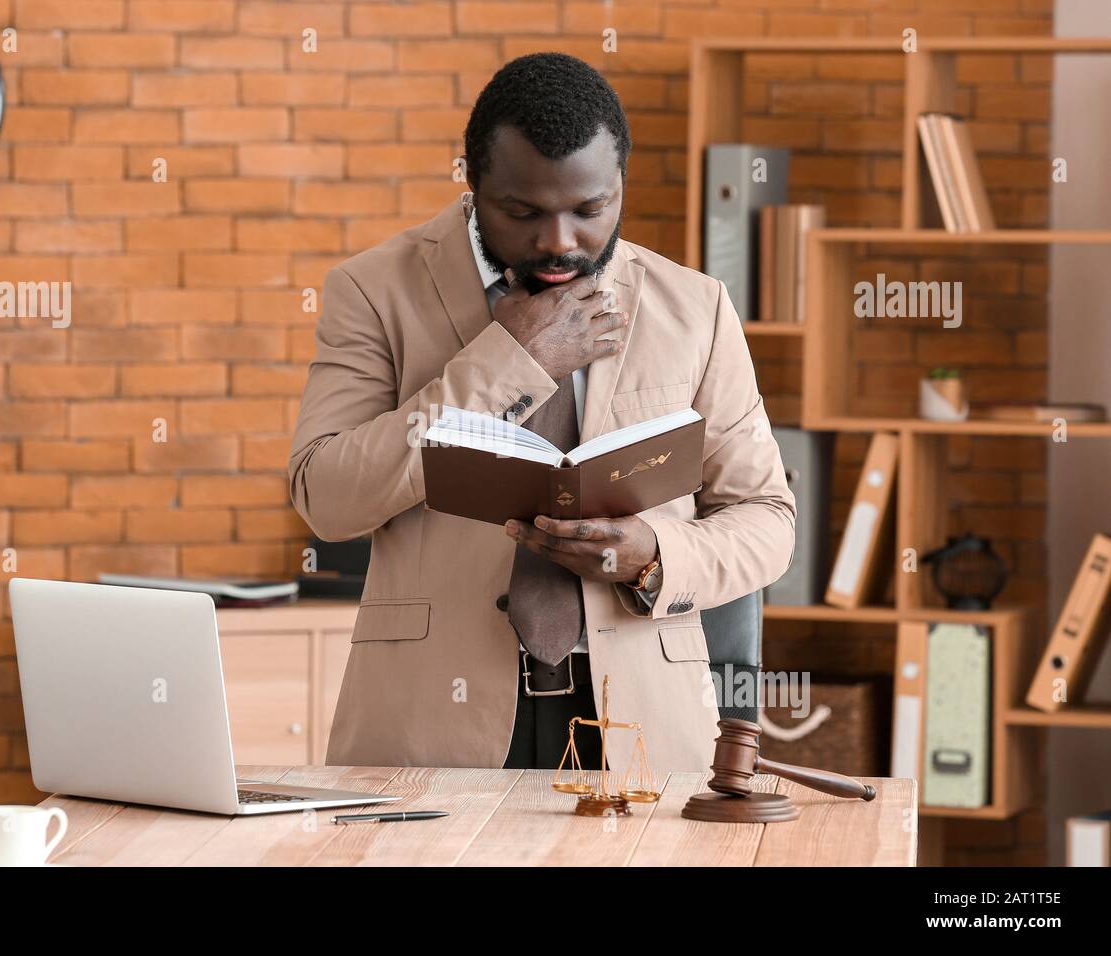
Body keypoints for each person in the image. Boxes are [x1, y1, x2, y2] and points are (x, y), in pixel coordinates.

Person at [288, 52, 796, 773]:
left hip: (642, 731)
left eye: (591, 210)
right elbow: (328, 497)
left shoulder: (696, 309)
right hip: (431, 729)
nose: (559, 241)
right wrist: (506, 363)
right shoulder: (372, 292)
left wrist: (656, 554)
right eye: (523, 212)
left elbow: (767, 519)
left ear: (619, 184)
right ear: (472, 184)